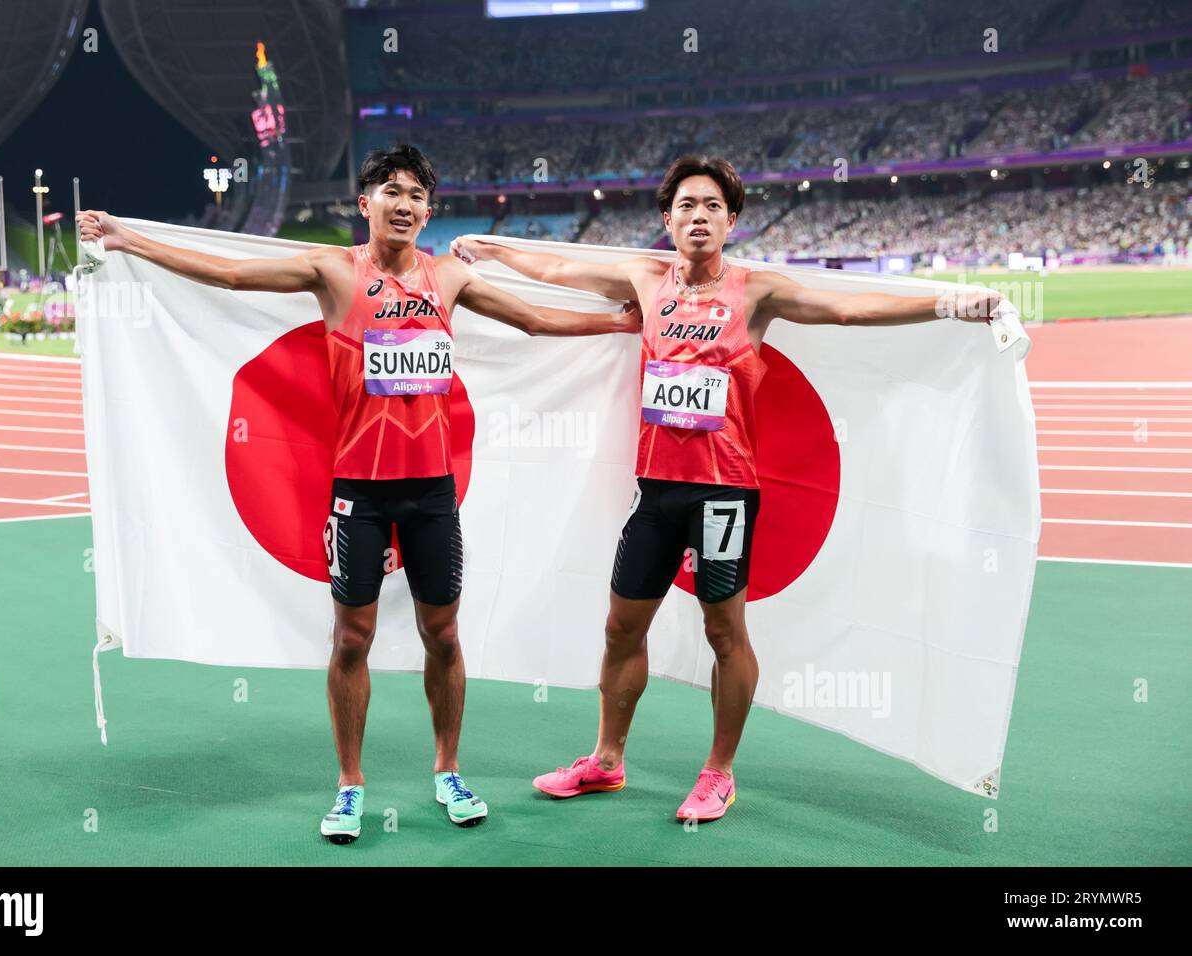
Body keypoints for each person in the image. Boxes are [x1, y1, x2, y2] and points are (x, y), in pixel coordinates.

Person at [77, 144, 640, 844]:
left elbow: (532, 319)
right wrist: (129, 239)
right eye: (389, 190)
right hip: (359, 497)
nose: (403, 203)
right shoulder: (333, 271)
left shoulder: (452, 278)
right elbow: (228, 273)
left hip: (433, 494)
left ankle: (447, 771)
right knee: (352, 638)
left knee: (443, 635)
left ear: (428, 211)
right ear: (364, 203)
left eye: (415, 195)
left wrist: (617, 324)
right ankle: (349, 787)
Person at [452, 155, 1000, 823]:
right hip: (655, 492)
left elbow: (849, 309)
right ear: (668, 219)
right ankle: (606, 760)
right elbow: (562, 270)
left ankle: (718, 772)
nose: (699, 216)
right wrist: (493, 250)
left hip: (723, 494)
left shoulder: (756, 291)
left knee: (723, 630)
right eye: (687, 205)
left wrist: (950, 302)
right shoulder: (644, 277)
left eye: (712, 206)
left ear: (731, 220)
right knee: (621, 628)